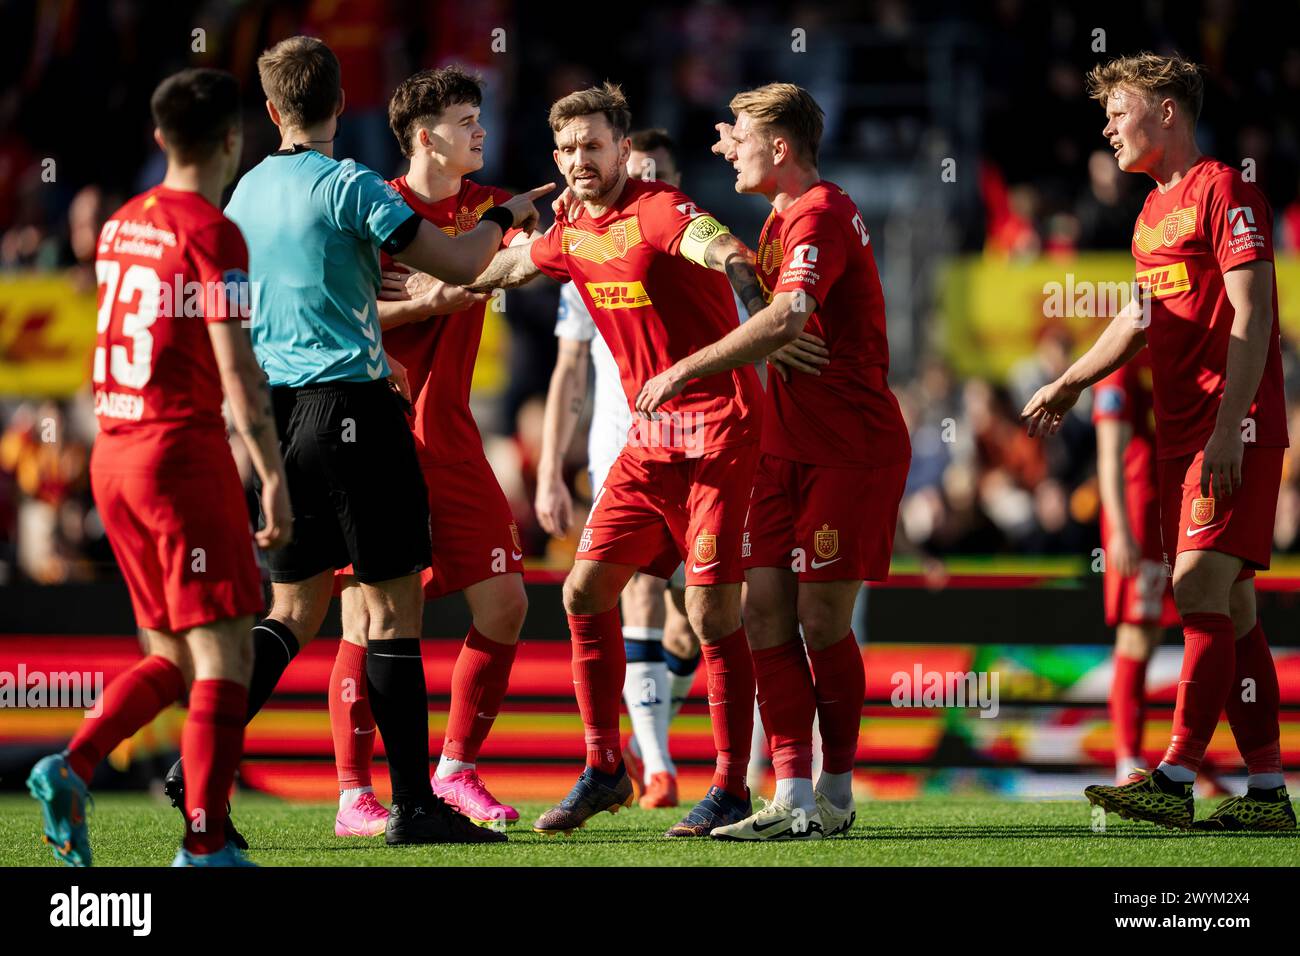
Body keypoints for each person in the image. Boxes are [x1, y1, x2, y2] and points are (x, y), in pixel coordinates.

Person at [164, 36, 549, 847]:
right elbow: (458, 259)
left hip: (282, 414)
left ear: (270, 113)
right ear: (343, 106)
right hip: (357, 410)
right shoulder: (352, 186)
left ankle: (198, 762)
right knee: (390, 611)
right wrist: (506, 217)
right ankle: (414, 805)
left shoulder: (243, 195)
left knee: (293, 610)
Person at [468, 83, 770, 837]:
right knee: (583, 592)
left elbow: (724, 249)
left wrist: (749, 286)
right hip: (649, 440)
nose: (579, 161)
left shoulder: (660, 209)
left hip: (719, 430)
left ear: (622, 148)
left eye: (593, 146)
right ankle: (607, 768)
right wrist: (440, 266)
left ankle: (732, 787)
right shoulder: (569, 234)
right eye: (567, 149)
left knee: (706, 610)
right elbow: (506, 268)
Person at [28, 68, 291, 867]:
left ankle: (70, 763)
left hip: (115, 455)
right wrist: (270, 471)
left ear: (158, 137)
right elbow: (238, 370)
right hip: (178, 458)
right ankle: (206, 845)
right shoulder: (213, 233)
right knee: (226, 655)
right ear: (233, 142)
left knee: (173, 657)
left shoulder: (119, 226)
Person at [1024, 52, 1293, 831]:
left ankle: (1173, 776)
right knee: (1234, 608)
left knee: (1197, 591)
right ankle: (1270, 795)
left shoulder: (1226, 191)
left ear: (1168, 111)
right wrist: (1072, 380)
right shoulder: (1149, 215)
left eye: (1119, 108)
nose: (1107, 125)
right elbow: (1140, 318)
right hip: (1183, 436)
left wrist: (1228, 427)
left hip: (1226, 426)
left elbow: (1253, 313)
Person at [635, 83, 910, 840]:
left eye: (744, 138)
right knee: (762, 615)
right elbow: (778, 312)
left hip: (849, 448)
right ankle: (788, 795)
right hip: (783, 447)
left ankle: (837, 792)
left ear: (781, 148)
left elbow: (790, 314)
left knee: (822, 620)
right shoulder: (780, 216)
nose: (729, 151)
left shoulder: (819, 212)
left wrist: (689, 367)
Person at [328, 65, 532, 836]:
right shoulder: (371, 208)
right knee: (370, 618)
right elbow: (343, 321)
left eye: (481, 117)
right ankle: (355, 793)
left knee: (507, 603)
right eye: (465, 120)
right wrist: (420, 298)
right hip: (373, 434)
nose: (481, 131)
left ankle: (454, 771)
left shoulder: (489, 208)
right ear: (424, 137)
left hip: (451, 435)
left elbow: (537, 251)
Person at [535, 128, 707, 810]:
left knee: (696, 616)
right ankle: (656, 766)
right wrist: (551, 467)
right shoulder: (587, 248)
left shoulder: (686, 240)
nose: (641, 183)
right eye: (635, 171)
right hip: (623, 446)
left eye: (655, 173)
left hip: (696, 443)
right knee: (628, 591)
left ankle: (645, 737)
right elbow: (568, 369)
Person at [1092, 350, 1179, 783]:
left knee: (1151, 634)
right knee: (1135, 635)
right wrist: (1120, 530)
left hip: (1164, 516)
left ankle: (1148, 759)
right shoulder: (1120, 367)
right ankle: (1127, 761)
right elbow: (1108, 455)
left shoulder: (1158, 359)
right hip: (1138, 519)